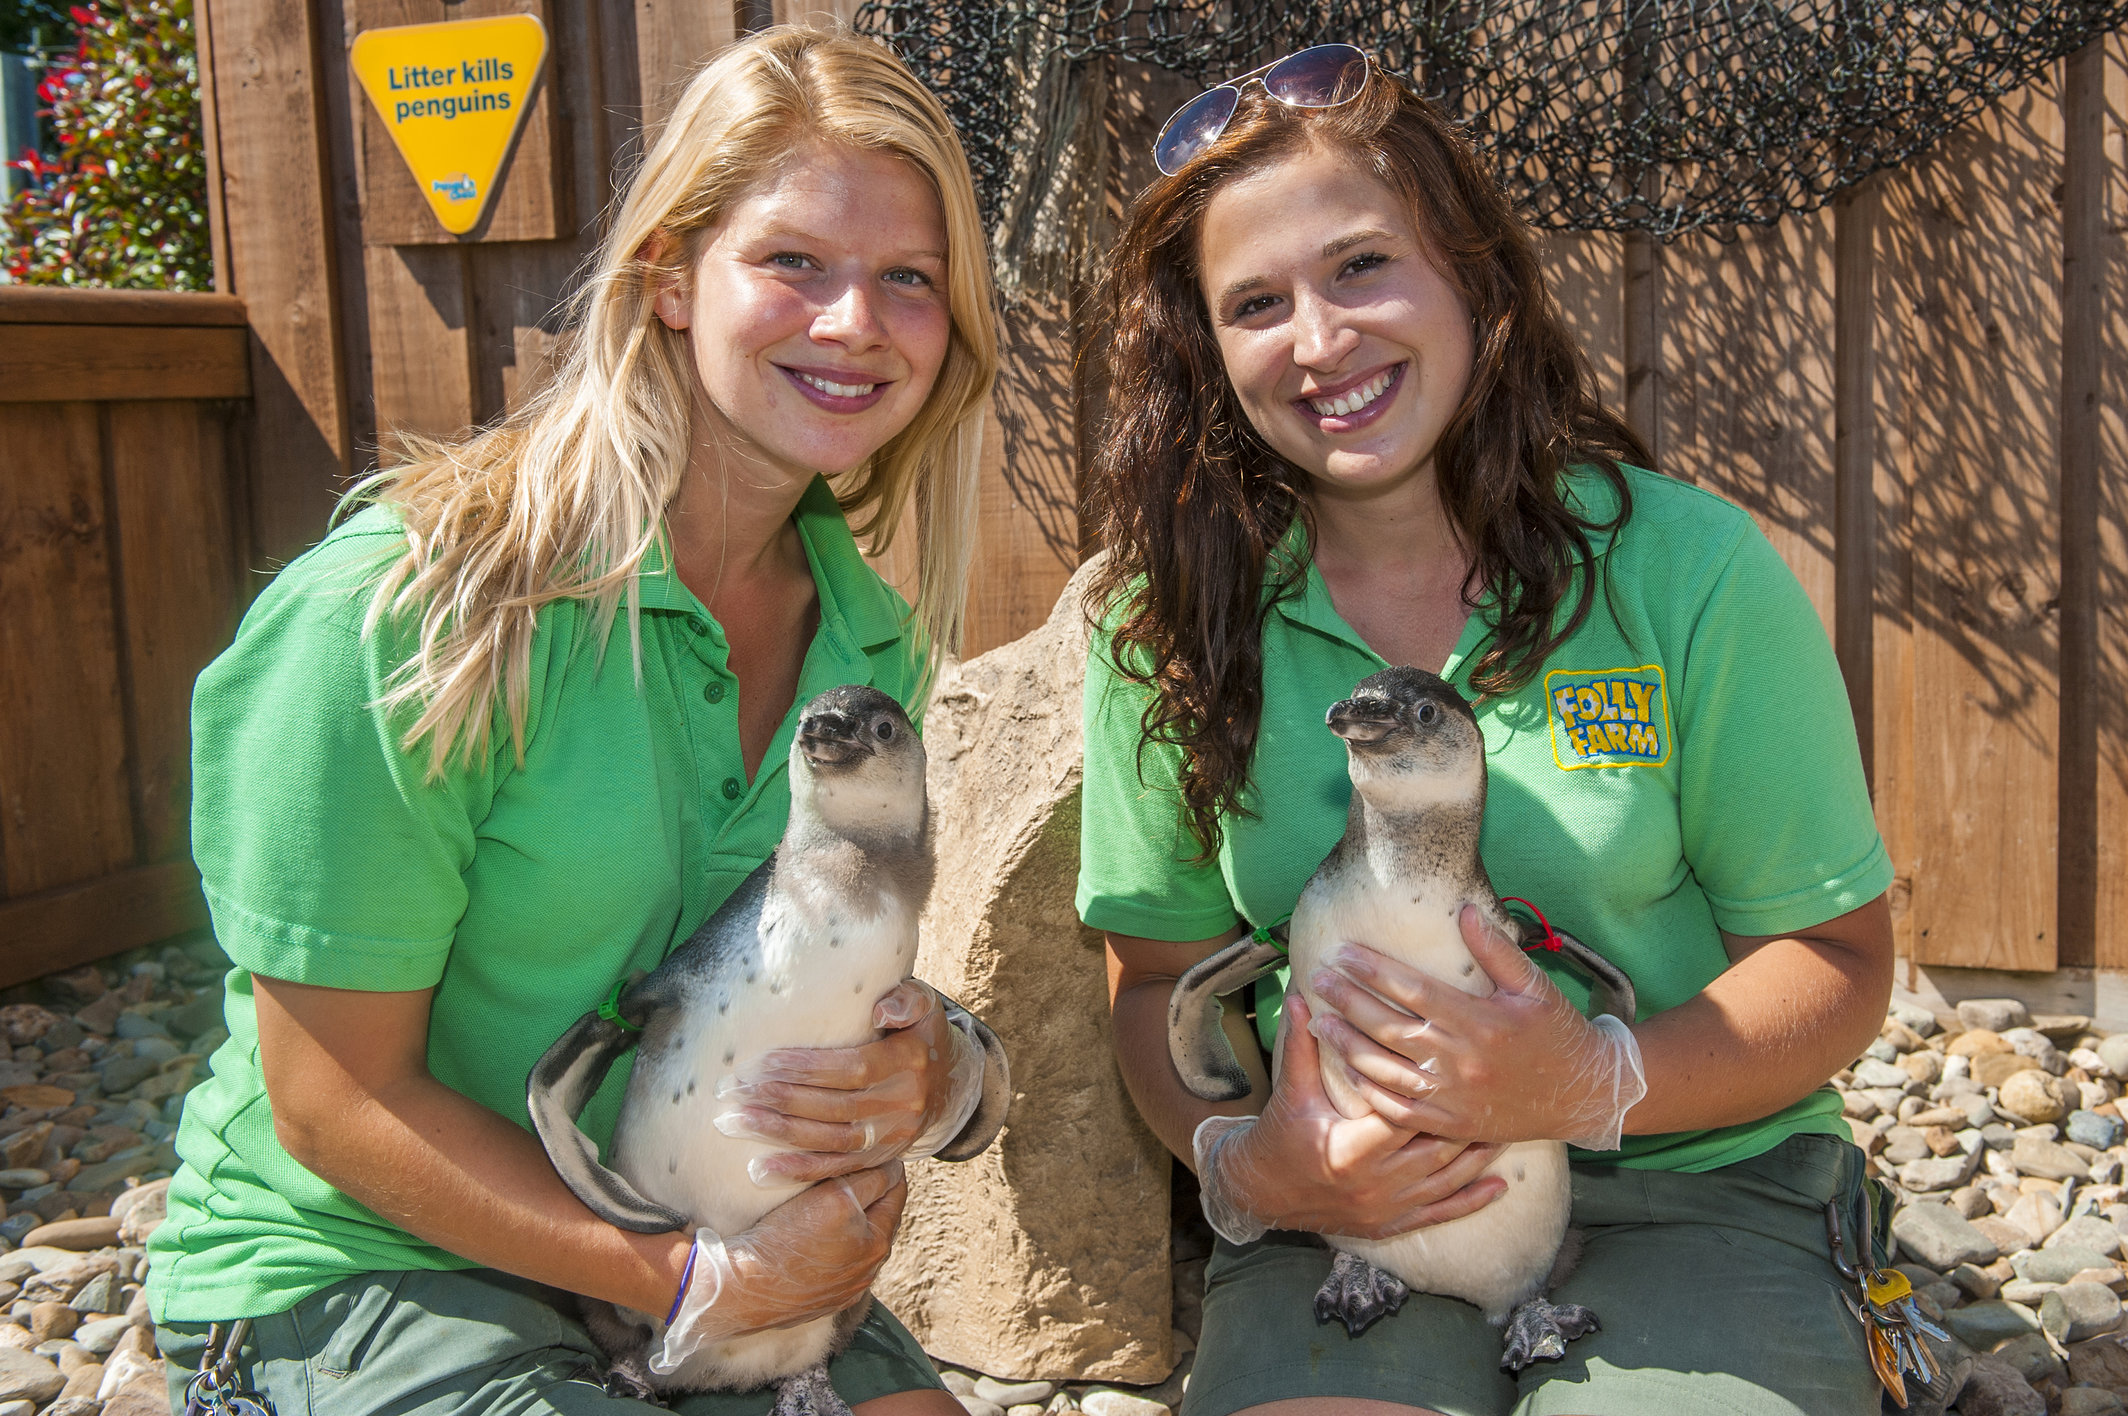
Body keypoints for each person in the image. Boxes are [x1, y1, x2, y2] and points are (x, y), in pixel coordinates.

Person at [148, 26, 1001, 1416]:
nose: (856, 320)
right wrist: (687, 1279)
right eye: (794, 261)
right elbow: (332, 1101)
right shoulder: (416, 614)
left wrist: (941, 1071)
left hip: (691, 1221)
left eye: (909, 277)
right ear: (668, 278)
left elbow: (778, 980)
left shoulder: (867, 645)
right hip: (371, 1263)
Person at [1077, 45, 1896, 1416]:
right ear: (1206, 353)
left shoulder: (1685, 571)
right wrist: (1251, 1164)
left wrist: (1594, 1080)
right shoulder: (1169, 622)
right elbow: (1157, 982)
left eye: (1360, 267)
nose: (1319, 341)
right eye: (1257, 303)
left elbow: (1839, 960)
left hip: (1694, 1179)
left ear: (1472, 272)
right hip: (1356, 1211)